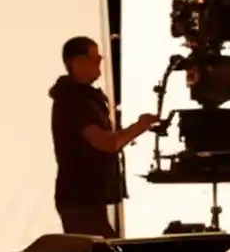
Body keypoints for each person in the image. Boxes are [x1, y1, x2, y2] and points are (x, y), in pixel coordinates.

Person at [49, 36, 157, 238]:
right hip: (80, 198)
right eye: (95, 58)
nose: (99, 62)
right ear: (77, 62)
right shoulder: (74, 100)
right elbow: (106, 142)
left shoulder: (82, 98)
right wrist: (140, 126)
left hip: (87, 197)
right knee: (103, 250)